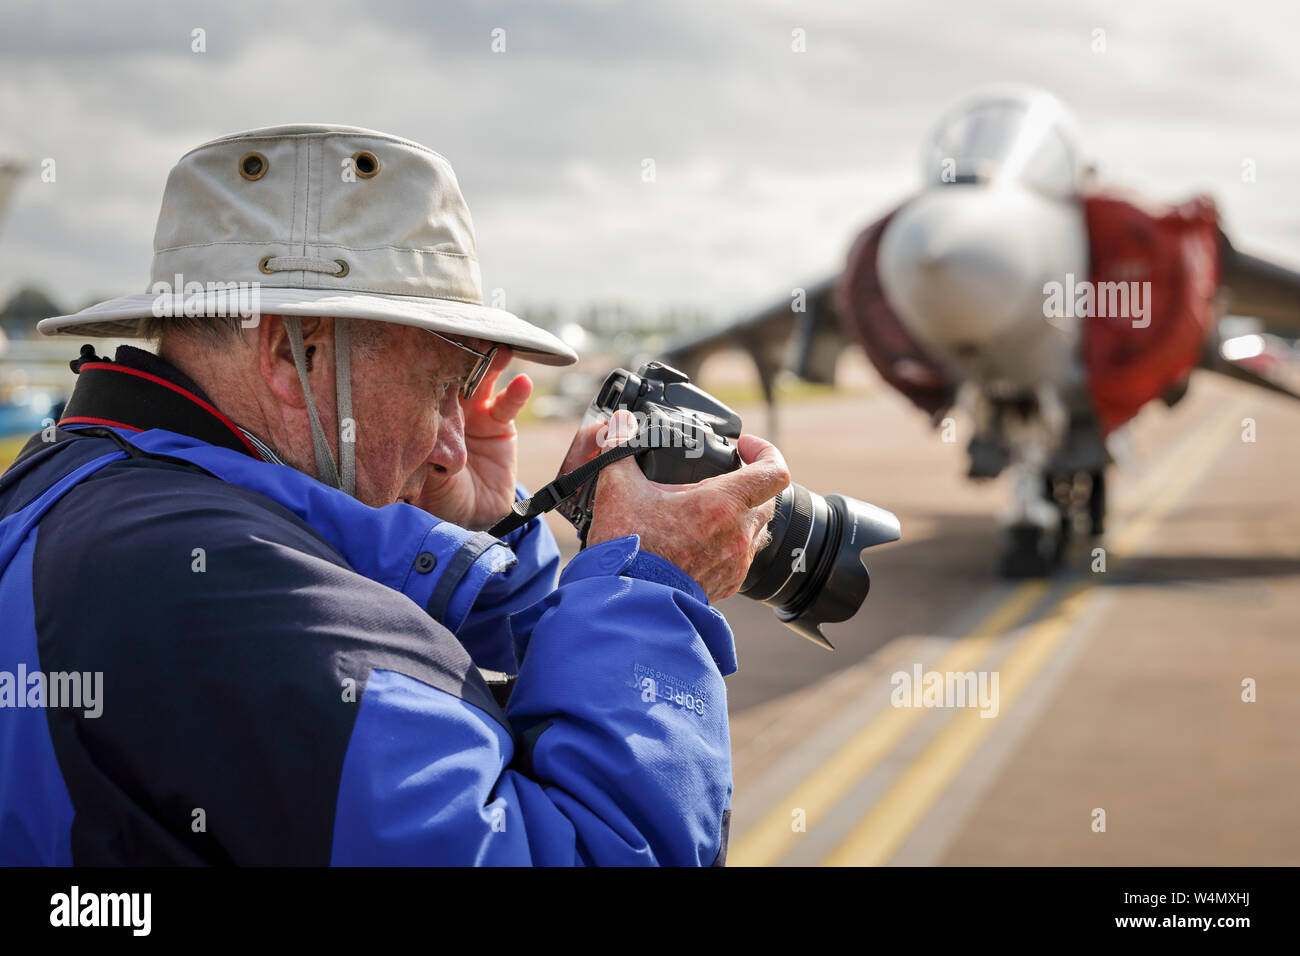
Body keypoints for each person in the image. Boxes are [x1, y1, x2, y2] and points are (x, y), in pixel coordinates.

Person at [0, 124, 788, 866]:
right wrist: (651, 592)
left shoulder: (83, 485)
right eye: (443, 387)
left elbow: (441, 723)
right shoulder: (216, 585)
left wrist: (483, 539)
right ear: (295, 352)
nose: (452, 444)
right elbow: (579, 850)